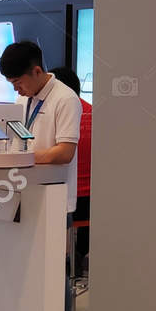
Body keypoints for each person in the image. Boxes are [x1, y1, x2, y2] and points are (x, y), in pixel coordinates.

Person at [0, 41, 81, 311]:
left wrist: (27, 158)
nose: (17, 89)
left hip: (56, 201)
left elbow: (65, 151)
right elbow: (22, 140)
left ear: (37, 71)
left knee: (54, 276)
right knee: (26, 271)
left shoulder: (64, 99)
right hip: (23, 196)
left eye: (19, 82)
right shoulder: (23, 102)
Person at [52, 67, 91, 279]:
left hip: (67, 203)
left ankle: (65, 263)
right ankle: (75, 255)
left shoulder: (57, 117)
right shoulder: (96, 114)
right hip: (93, 205)